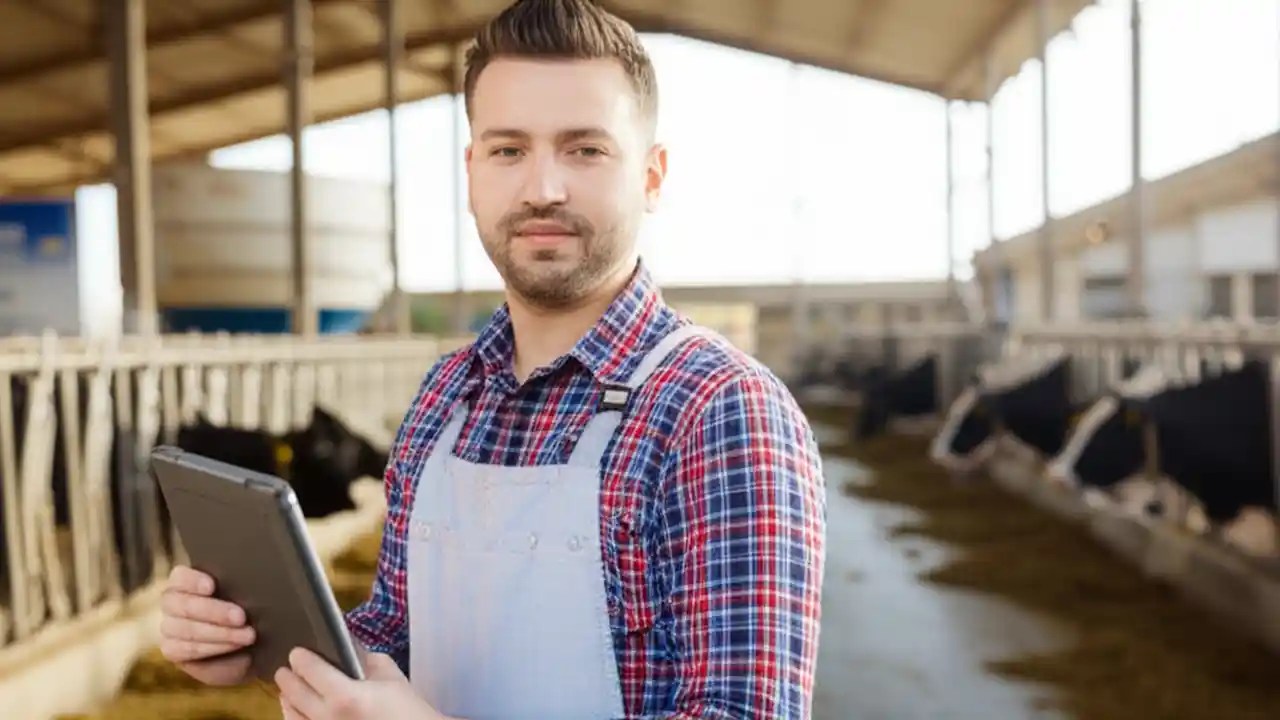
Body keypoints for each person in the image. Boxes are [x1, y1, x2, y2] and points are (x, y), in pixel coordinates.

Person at [157, 0, 827, 717]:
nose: (543, 188)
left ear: (652, 177)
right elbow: (391, 636)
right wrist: (257, 644)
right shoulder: (449, 393)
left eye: (586, 149)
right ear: (472, 171)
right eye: (509, 150)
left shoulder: (719, 410)